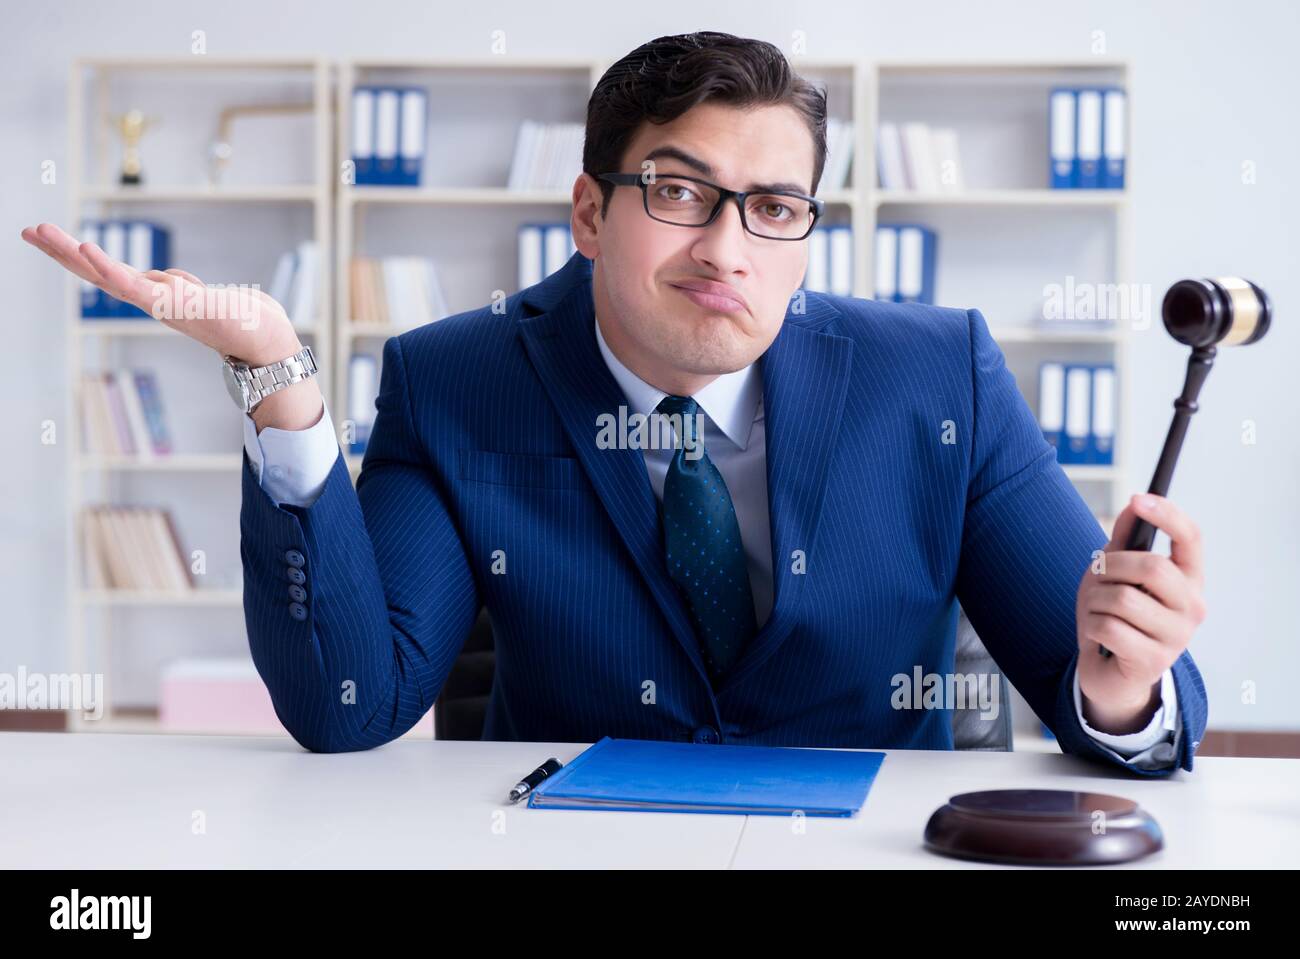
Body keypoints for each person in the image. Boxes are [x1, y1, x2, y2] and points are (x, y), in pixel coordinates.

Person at [24, 32, 1206, 772]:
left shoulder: (933, 374)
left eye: (775, 207)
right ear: (589, 213)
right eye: (681, 192)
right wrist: (277, 381)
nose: (728, 249)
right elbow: (351, 703)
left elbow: (1109, 690)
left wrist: (1120, 679)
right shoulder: (458, 377)